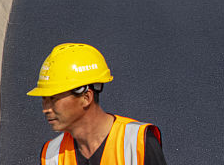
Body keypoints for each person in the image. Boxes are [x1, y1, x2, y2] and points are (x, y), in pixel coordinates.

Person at [27, 43, 166, 165]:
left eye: (54, 99)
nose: (46, 109)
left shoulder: (137, 142)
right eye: (44, 100)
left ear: (86, 97)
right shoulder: (52, 155)